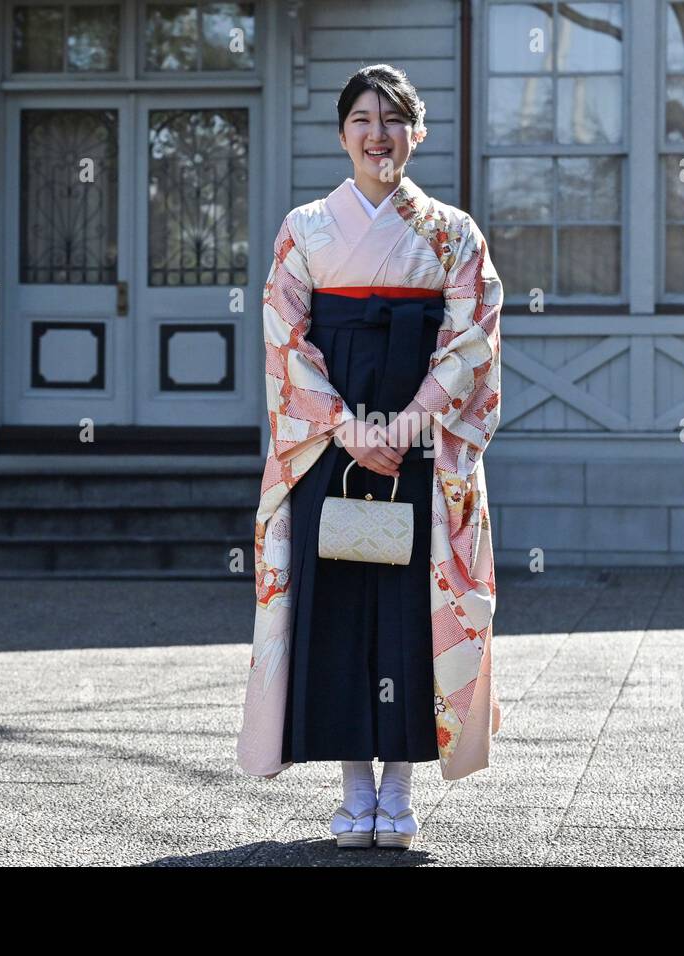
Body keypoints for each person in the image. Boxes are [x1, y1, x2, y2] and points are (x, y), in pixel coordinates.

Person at [236, 64, 503, 850]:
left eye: (394, 120)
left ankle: (402, 786)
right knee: (339, 609)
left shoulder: (454, 234)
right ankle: (355, 783)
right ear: (343, 132)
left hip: (424, 450)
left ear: (417, 133)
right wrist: (350, 429)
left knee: (412, 612)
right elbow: (286, 337)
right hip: (331, 446)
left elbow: (472, 339)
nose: (377, 133)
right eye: (362, 118)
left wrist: (413, 424)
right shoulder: (306, 229)